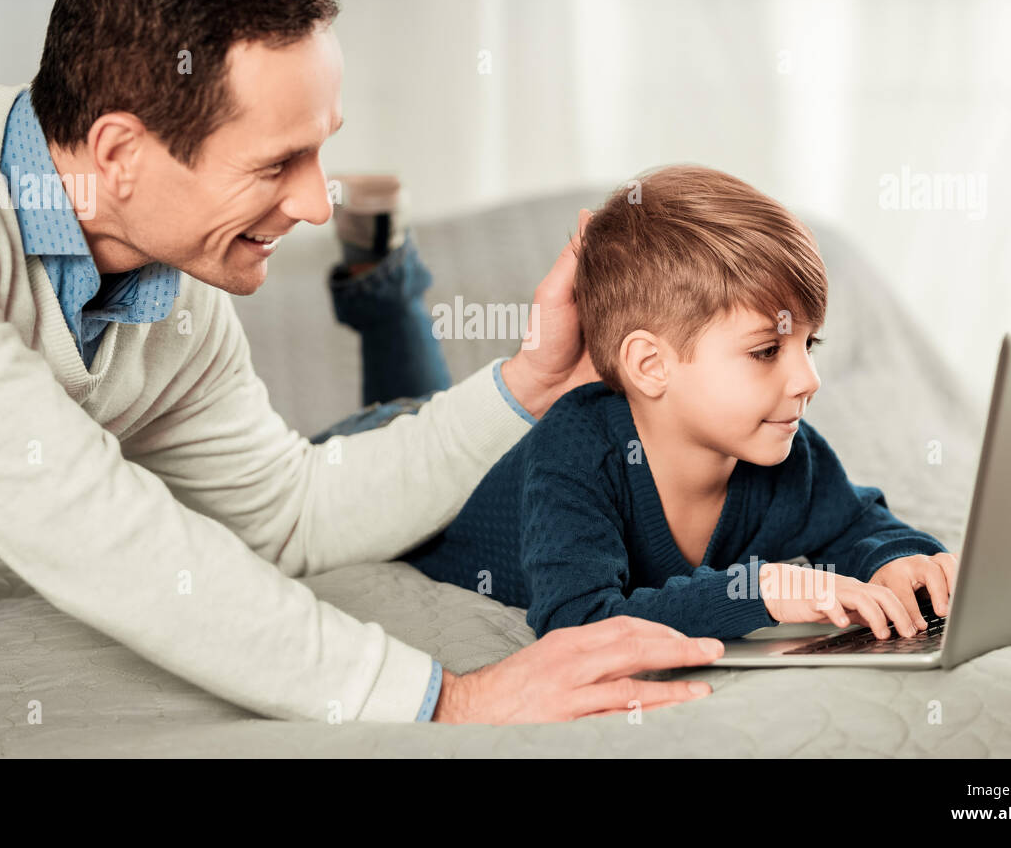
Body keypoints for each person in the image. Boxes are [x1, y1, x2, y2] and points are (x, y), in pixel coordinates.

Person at [0, 0, 728, 725]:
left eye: (321, 149)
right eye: (277, 164)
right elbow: (86, 526)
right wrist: (446, 699)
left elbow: (293, 513)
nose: (313, 202)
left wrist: (532, 380)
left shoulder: (172, 295)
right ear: (120, 154)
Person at [403, 164, 961, 642]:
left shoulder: (782, 449)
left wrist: (897, 561)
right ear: (651, 365)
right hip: (419, 479)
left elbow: (856, 524)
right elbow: (577, 621)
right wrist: (760, 591)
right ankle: (386, 288)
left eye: (809, 343)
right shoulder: (576, 453)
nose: (808, 379)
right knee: (402, 412)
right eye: (767, 350)